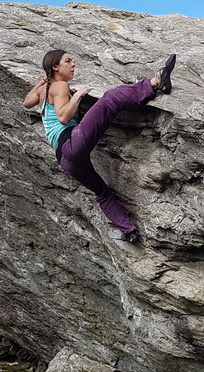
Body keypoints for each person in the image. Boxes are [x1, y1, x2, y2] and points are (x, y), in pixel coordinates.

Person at [23, 49, 176, 243]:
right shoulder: (60, 85)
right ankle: (155, 83)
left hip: (64, 159)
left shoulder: (44, 90)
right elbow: (63, 118)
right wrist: (77, 95)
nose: (73, 64)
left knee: (102, 193)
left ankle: (129, 231)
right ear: (55, 67)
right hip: (71, 142)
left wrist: (43, 80)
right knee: (110, 99)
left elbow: (26, 102)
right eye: (68, 61)